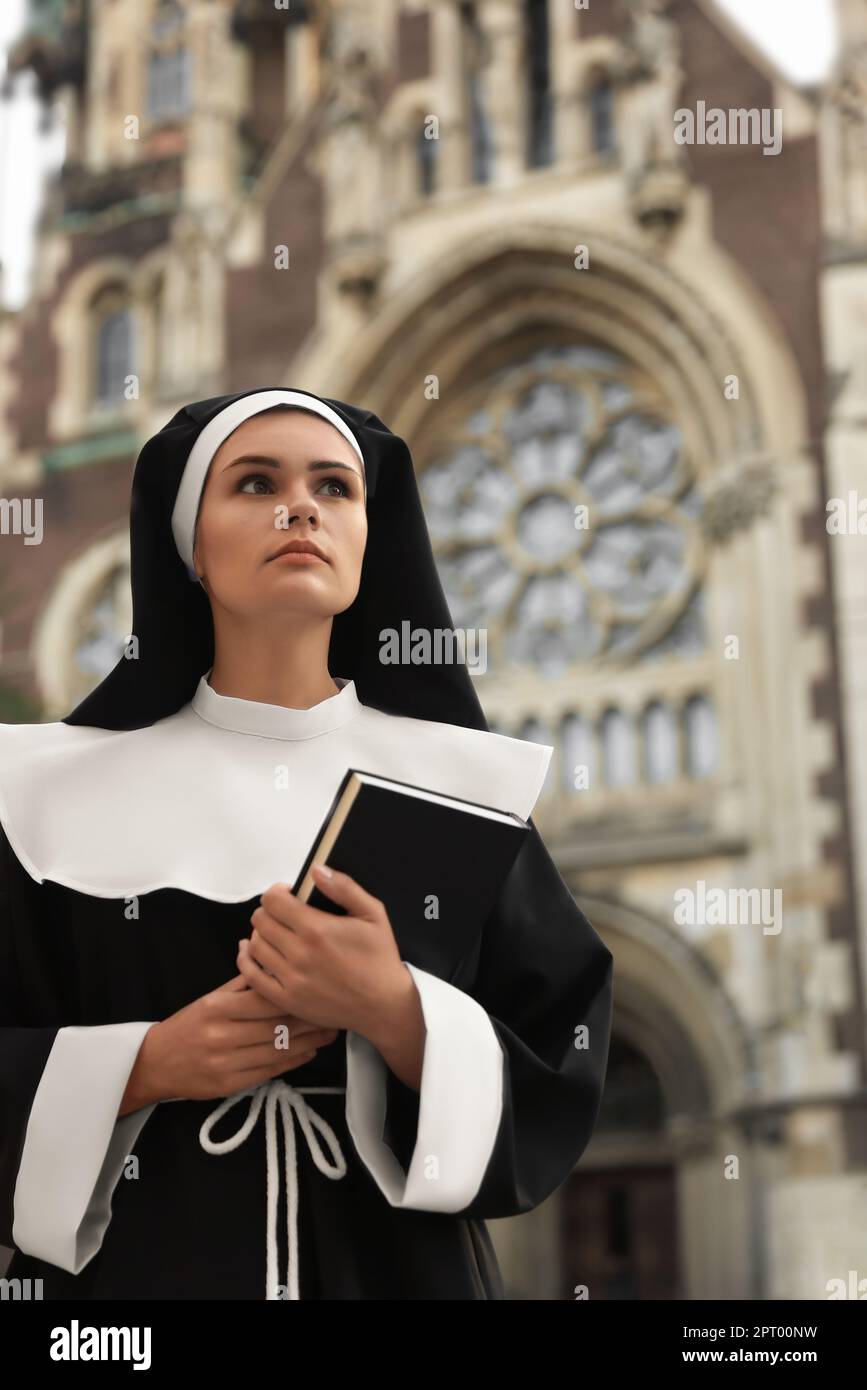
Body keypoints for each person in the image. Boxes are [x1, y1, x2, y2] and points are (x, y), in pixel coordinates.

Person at [0, 387, 613, 1300]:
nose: (302, 508)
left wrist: (396, 1011)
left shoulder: (459, 787)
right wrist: (145, 1065)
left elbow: (561, 1055)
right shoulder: (42, 793)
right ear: (188, 545)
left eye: (335, 488)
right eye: (254, 483)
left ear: (368, 537)